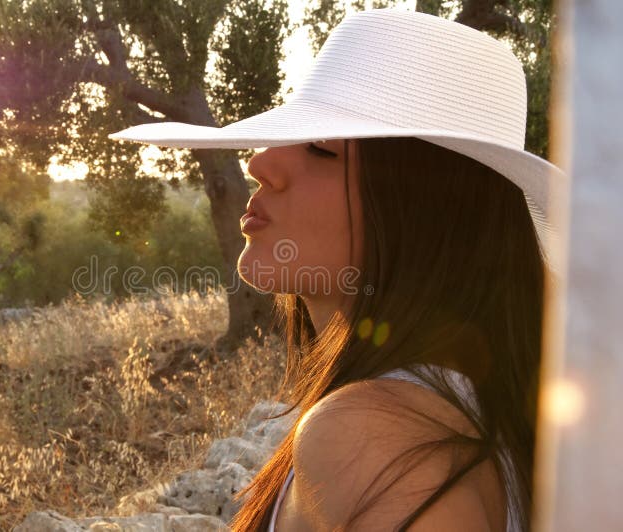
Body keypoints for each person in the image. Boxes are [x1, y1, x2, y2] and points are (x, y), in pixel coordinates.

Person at [109, 8, 566, 531]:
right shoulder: (445, 413)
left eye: (322, 149)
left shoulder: (378, 437)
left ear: (423, 211)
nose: (261, 164)